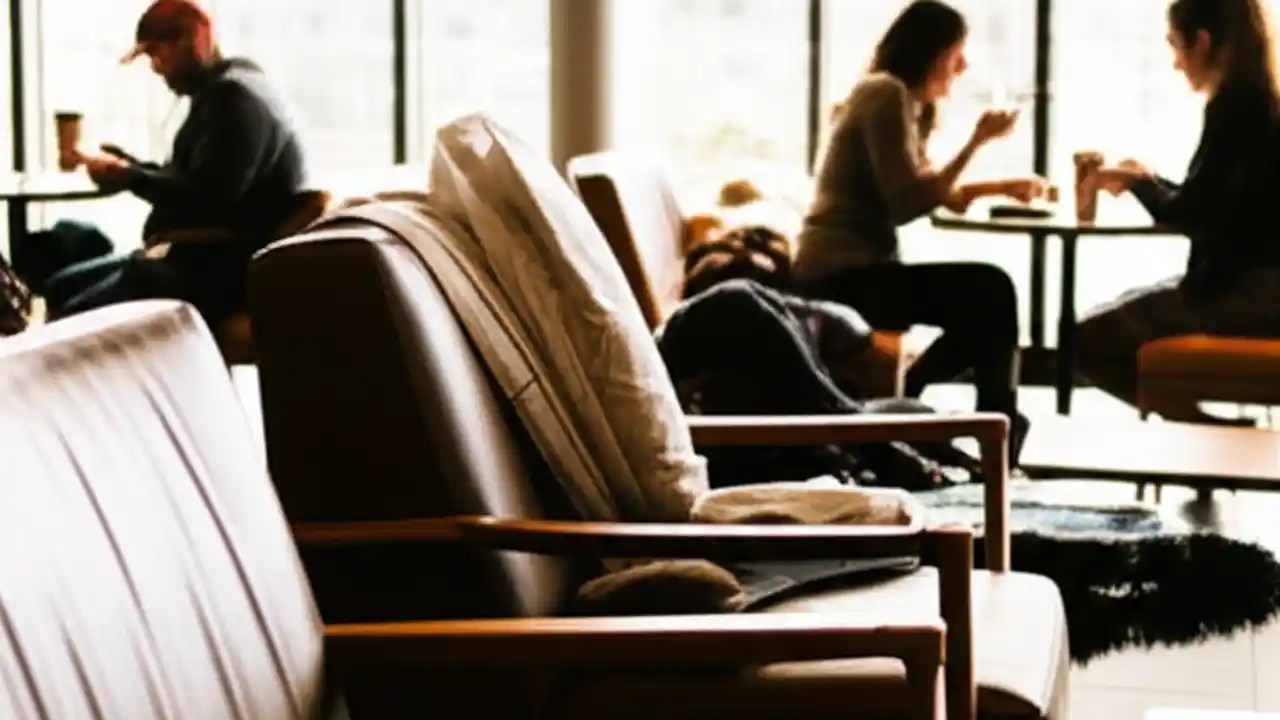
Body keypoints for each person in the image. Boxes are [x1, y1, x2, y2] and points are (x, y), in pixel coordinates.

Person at [792, 0, 1040, 460]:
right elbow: (908, 202)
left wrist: (999, 186)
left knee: (987, 301)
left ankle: (978, 415)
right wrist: (976, 143)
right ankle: (994, 422)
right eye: (956, 52)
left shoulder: (898, 101)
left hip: (856, 272)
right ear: (930, 51)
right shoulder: (884, 93)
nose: (962, 66)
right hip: (840, 279)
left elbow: (930, 190)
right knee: (991, 291)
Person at [42, 0, 306, 324]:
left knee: (66, 320)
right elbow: (196, 178)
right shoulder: (236, 85)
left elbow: (210, 198)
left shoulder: (232, 99)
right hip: (199, 257)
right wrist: (131, 167)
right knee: (59, 287)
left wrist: (130, 177)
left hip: (210, 272)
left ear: (193, 37)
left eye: (157, 52)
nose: (155, 67)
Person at [1079, 0, 1280, 416]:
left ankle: (1196, 431)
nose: (1175, 63)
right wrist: (1147, 181)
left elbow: (1189, 215)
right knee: (1119, 310)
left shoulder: (1236, 108)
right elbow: (1211, 201)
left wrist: (1140, 184)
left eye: (1175, 45)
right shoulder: (1261, 102)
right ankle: (1197, 430)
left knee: (1082, 341)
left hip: (1246, 295)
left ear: (1201, 41)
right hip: (1260, 286)